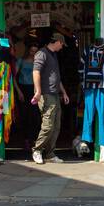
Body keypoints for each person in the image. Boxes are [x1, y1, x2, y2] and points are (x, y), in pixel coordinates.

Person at [30, 33, 68, 164]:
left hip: (55, 94)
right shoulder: (42, 53)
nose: (62, 47)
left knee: (56, 125)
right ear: (57, 41)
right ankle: (37, 150)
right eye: (62, 44)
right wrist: (38, 91)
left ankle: (50, 154)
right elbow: (36, 72)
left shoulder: (53, 55)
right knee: (48, 125)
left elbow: (56, 76)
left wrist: (64, 92)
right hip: (46, 94)